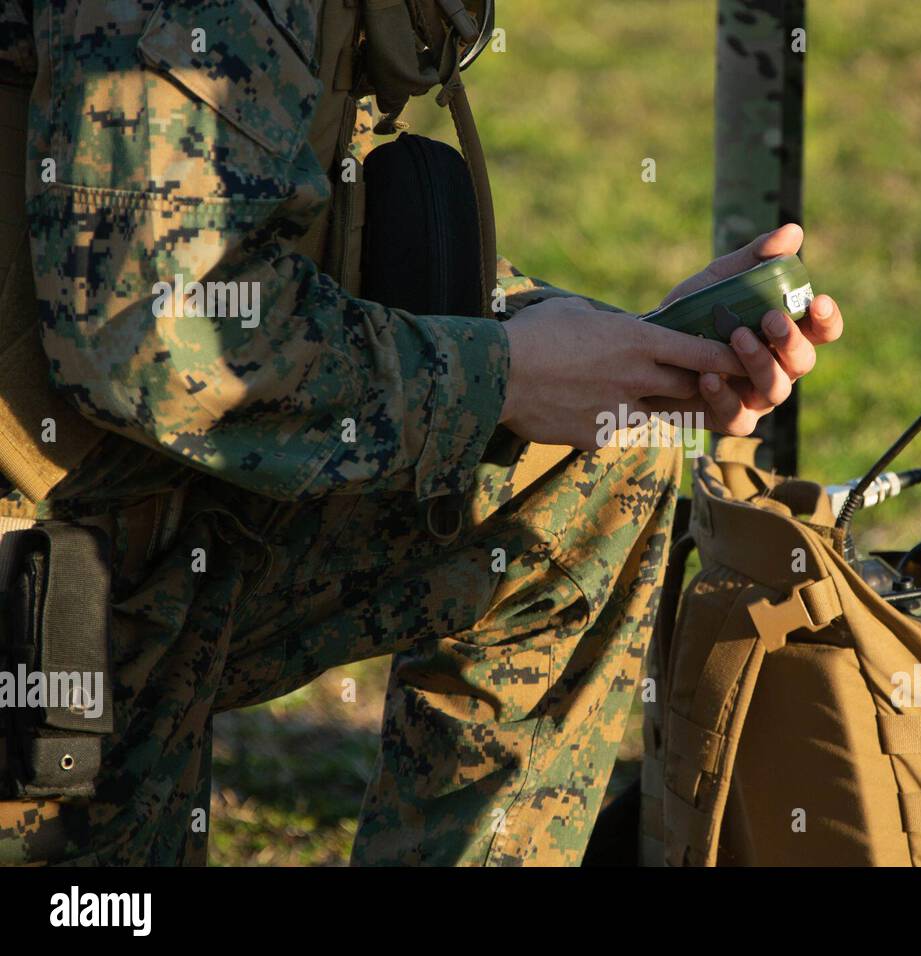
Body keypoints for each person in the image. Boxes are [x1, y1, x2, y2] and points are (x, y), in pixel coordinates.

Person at [0, 0, 843, 866]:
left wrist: (609, 353)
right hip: (42, 594)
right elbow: (149, 336)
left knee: (595, 459)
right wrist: (504, 374)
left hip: (139, 523)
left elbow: (284, 249)